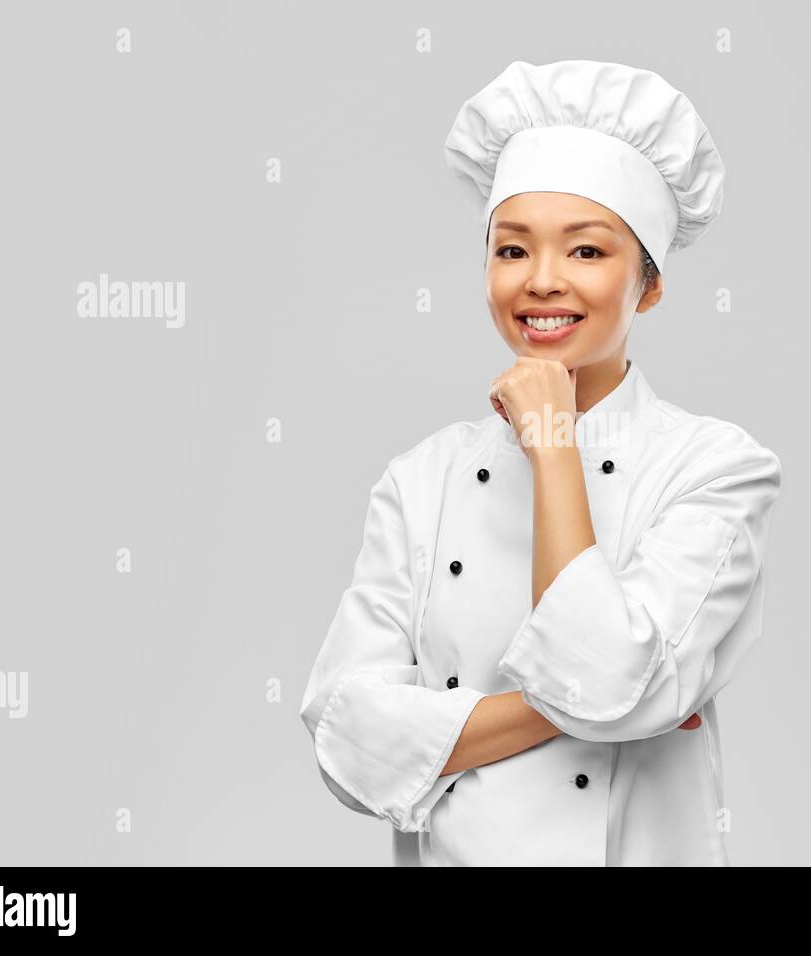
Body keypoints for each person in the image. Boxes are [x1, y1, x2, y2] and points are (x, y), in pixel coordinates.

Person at [299, 59, 783, 866]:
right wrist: (607, 706)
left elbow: (601, 677)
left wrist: (554, 443)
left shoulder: (716, 469)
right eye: (512, 249)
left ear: (649, 285)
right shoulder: (421, 480)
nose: (542, 281)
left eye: (587, 251)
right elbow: (348, 738)